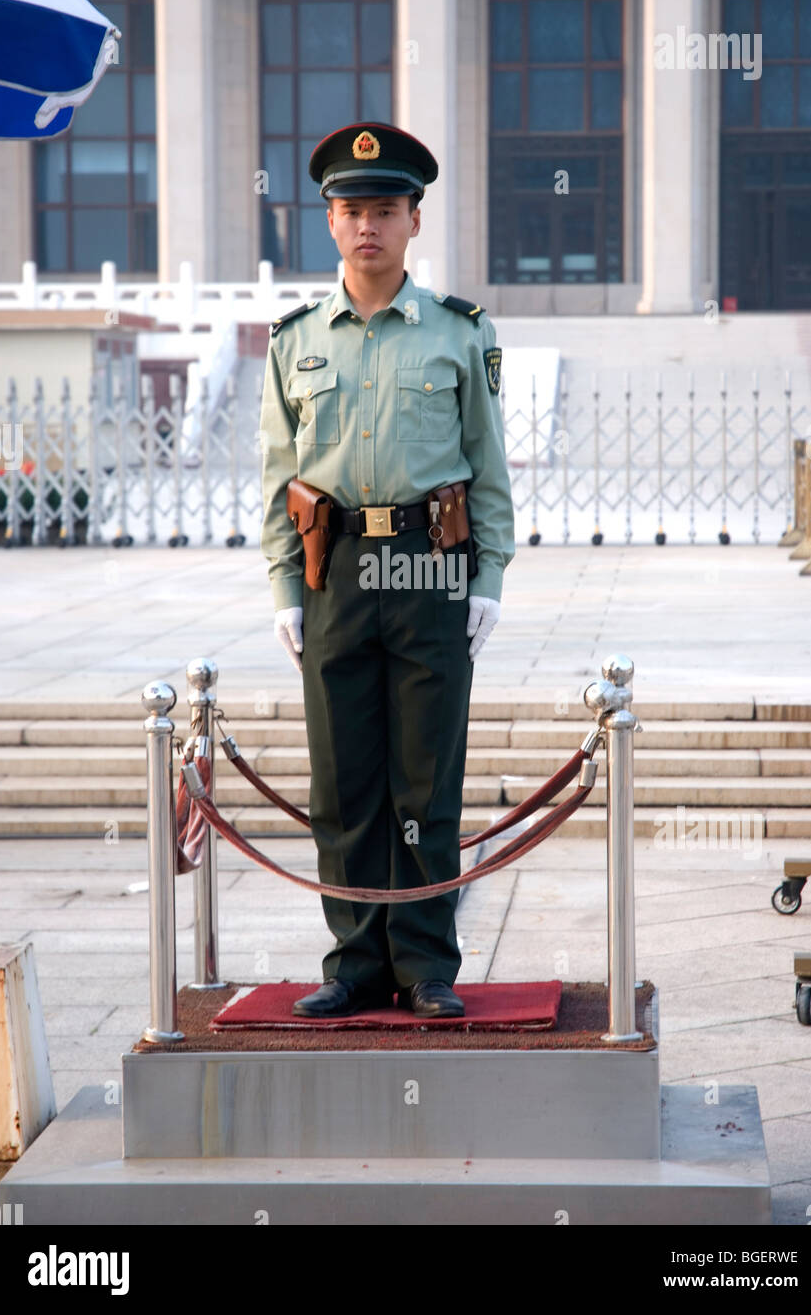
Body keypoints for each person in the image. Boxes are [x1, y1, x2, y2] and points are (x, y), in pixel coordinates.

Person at [258, 121, 515, 1018]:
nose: (367, 225)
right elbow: (276, 473)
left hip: (431, 568)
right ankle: (356, 962)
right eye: (351, 209)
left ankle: (427, 965)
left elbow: (486, 463)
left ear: (414, 222)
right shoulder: (295, 341)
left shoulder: (455, 334)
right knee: (345, 779)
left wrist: (487, 579)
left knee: (425, 777)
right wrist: (286, 589)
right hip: (336, 570)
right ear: (329, 222)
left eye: (385, 210)